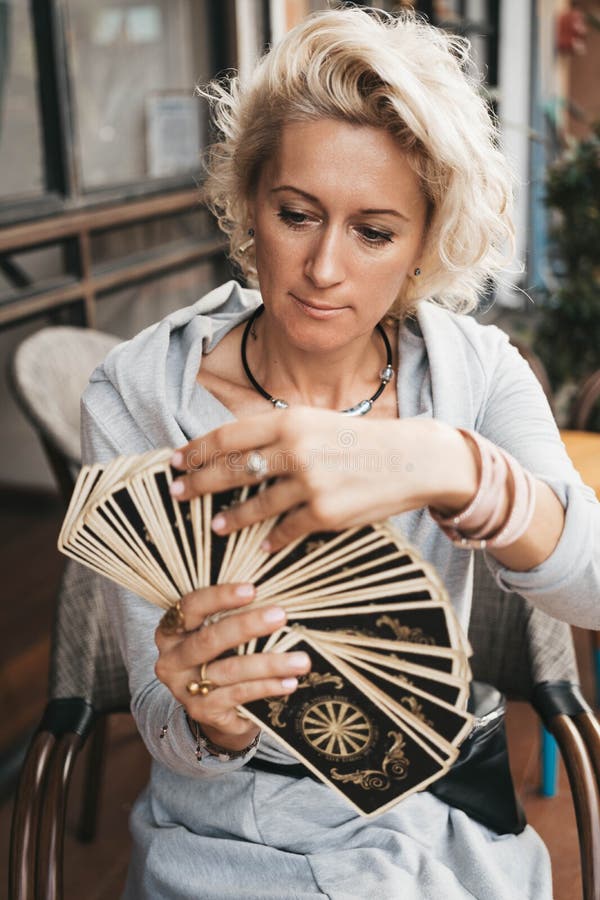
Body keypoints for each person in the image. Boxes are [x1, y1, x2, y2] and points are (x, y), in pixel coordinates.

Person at [81, 8, 600, 899]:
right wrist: (211, 725)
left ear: (424, 243)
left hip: (434, 825)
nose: (324, 267)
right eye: (297, 215)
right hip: (225, 839)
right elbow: (166, 720)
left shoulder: (472, 375)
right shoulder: (140, 394)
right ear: (251, 203)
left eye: (373, 231)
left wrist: (454, 464)